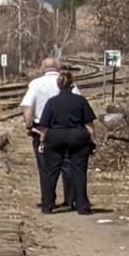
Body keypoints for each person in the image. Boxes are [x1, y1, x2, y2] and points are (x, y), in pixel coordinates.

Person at [37, 68, 96, 213]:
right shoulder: (80, 100)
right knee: (79, 170)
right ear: (72, 85)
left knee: (51, 171)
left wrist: (42, 142)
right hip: (77, 137)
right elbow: (89, 124)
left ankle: (47, 205)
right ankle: (82, 206)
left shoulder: (52, 102)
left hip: (55, 137)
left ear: (58, 85)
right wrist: (93, 141)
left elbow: (44, 126)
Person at [19, 53, 62, 198]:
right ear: (58, 67)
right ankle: (71, 199)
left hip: (42, 129)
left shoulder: (36, 84)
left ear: (42, 69)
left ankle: (48, 200)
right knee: (67, 166)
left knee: (45, 166)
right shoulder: (66, 82)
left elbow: (26, 106)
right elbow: (79, 101)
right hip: (65, 127)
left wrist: (29, 126)